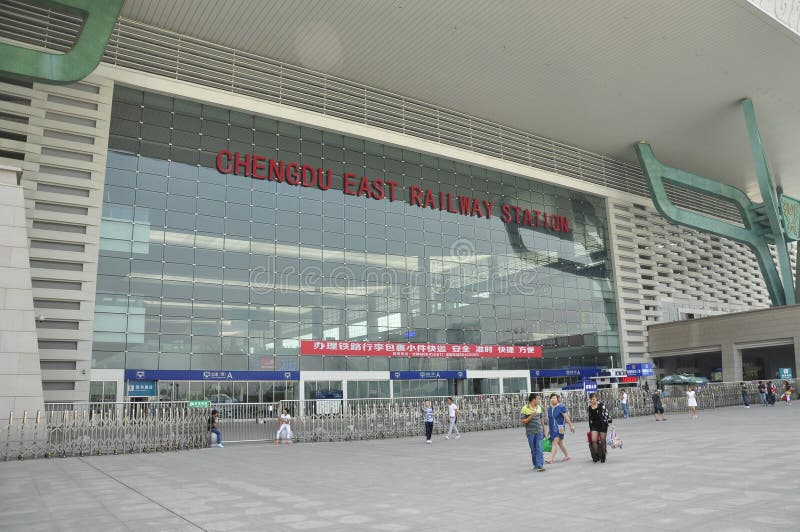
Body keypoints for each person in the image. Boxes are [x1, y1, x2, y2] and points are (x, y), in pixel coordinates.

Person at [520, 393, 548, 472]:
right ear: (533, 399)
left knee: (539, 448)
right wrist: (531, 416)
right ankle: (536, 464)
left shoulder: (539, 407)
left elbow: (541, 419)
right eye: (538, 399)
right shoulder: (525, 408)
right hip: (530, 432)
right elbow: (522, 422)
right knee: (533, 449)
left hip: (539, 431)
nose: (539, 400)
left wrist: (544, 430)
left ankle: (540, 465)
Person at [546, 393, 575, 464]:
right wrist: (549, 430)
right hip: (552, 428)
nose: (553, 399)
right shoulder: (549, 409)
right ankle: (567, 455)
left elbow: (566, 417)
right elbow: (550, 420)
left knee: (554, 442)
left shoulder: (561, 407)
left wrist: (571, 425)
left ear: (558, 399)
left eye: (554, 398)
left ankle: (551, 459)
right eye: (552, 398)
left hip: (560, 427)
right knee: (560, 442)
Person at [587, 393, 611, 463]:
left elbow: (606, 413)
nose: (593, 400)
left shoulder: (601, 405)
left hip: (602, 424)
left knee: (603, 441)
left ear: (596, 399)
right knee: (594, 440)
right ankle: (596, 455)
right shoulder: (589, 407)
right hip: (594, 425)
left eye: (594, 399)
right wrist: (590, 426)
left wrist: (610, 421)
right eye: (591, 399)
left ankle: (603, 455)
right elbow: (590, 417)